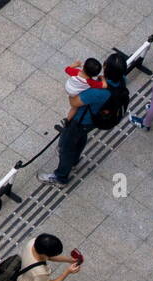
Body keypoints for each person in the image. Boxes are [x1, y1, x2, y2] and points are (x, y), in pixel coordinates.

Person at [40, 52, 127, 186]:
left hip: (80, 120)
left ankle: (60, 177)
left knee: (66, 147)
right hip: (94, 121)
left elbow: (74, 103)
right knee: (80, 138)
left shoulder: (98, 92)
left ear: (106, 67)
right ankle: (75, 160)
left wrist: (71, 92)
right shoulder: (121, 81)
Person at [58, 57, 105, 129]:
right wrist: (102, 78)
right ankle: (67, 120)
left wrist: (75, 65)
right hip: (75, 93)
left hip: (68, 87)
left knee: (73, 94)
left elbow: (67, 69)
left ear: (83, 66)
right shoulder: (91, 82)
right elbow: (104, 85)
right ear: (95, 75)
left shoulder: (75, 72)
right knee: (75, 107)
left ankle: (66, 121)